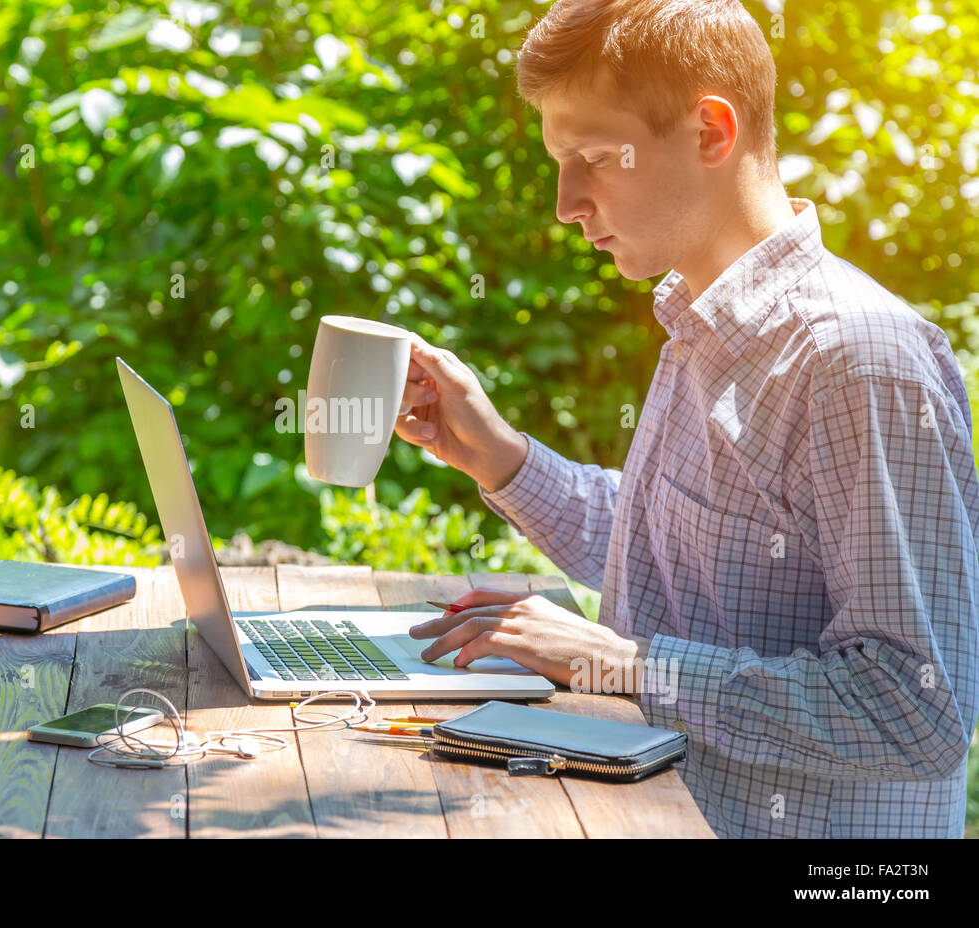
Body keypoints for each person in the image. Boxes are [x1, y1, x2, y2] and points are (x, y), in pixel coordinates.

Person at [397, 0, 979, 838]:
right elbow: (682, 576)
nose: (566, 202)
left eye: (593, 157)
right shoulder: (703, 325)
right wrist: (501, 460)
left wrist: (619, 663)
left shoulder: (858, 363)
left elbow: (917, 711)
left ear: (711, 131)